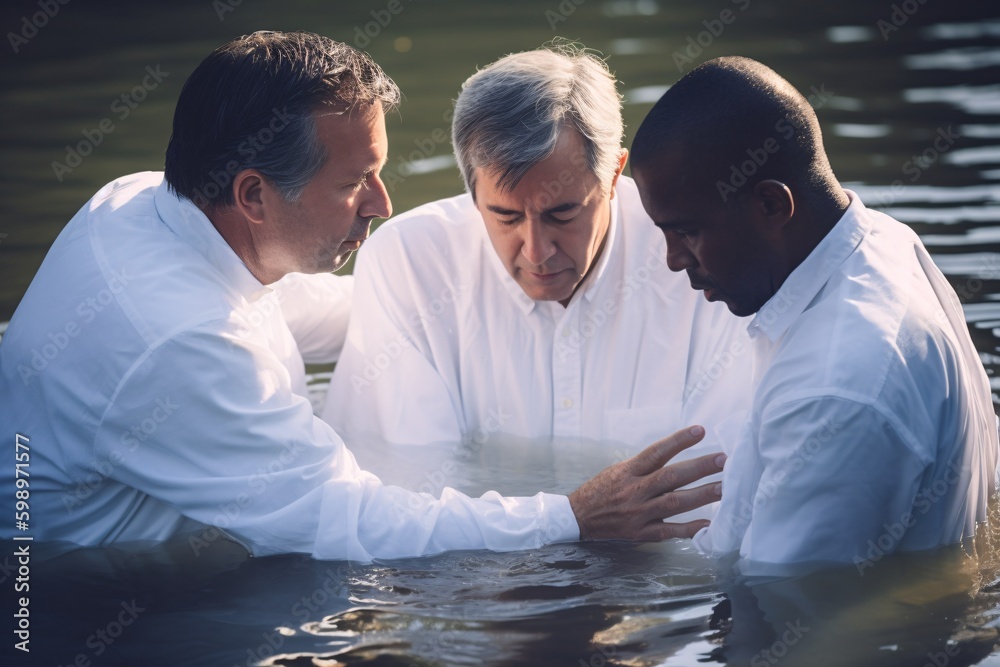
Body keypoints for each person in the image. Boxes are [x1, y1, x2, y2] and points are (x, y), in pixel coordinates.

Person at [0, 31, 726, 561]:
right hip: (73, 592)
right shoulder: (183, 345)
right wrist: (570, 516)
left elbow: (290, 312)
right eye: (354, 183)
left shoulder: (140, 203)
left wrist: (432, 305)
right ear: (253, 194)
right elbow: (349, 520)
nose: (383, 204)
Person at [629, 56, 999, 575]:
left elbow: (785, 615)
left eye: (687, 231)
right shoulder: (882, 240)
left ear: (773, 206)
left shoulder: (835, 386)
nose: (673, 260)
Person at [321, 47, 751, 485]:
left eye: (562, 214)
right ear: (471, 191)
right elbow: (406, 484)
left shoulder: (698, 261)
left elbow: (723, 478)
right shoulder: (408, 265)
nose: (537, 251)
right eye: (506, 217)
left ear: (615, 175)